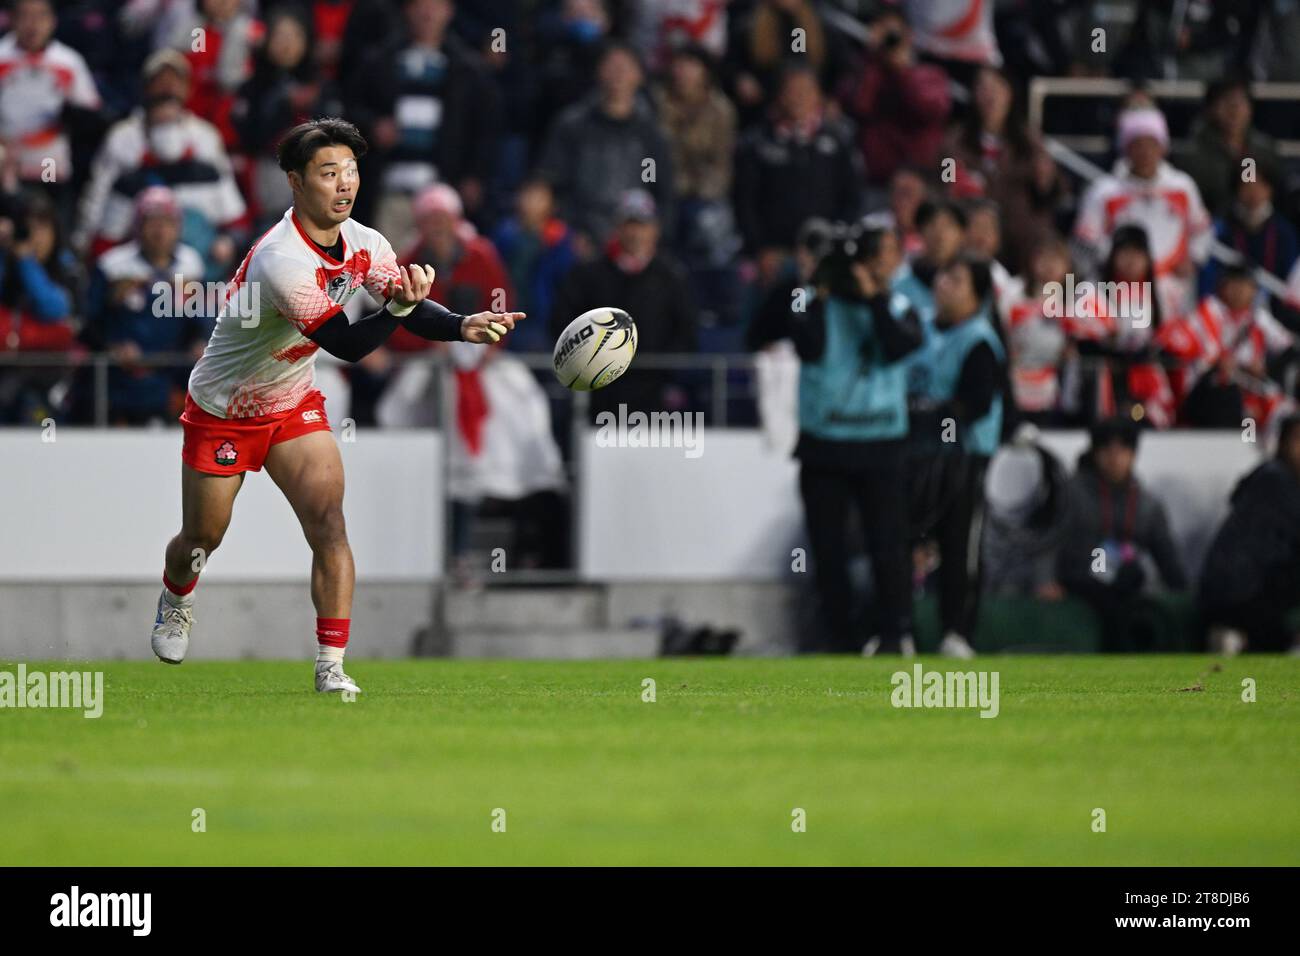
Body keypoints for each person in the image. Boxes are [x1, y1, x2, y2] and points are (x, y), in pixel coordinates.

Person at [149, 118, 523, 694]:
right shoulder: (282, 260)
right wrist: (399, 312)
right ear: (296, 183)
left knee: (328, 523)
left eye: (351, 171)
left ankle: (331, 667)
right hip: (223, 409)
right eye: (329, 173)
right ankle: (176, 597)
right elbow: (348, 344)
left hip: (293, 401)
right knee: (204, 537)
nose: (344, 184)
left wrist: (459, 323)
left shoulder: (367, 242)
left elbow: (405, 300)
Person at [790, 222, 923, 655]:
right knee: (827, 551)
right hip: (824, 442)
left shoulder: (899, 303)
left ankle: (894, 632)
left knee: (889, 545)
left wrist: (874, 298)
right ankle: (839, 638)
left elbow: (899, 347)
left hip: (881, 441)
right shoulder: (809, 301)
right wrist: (821, 287)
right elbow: (805, 345)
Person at [905, 255, 1007, 657]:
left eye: (957, 279)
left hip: (965, 458)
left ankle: (958, 632)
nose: (944, 283)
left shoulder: (979, 339)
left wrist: (928, 412)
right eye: (943, 275)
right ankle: (900, 631)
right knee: (906, 542)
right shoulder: (921, 328)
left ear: (978, 295)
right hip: (918, 455)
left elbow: (975, 404)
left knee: (960, 542)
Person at [1056, 418, 1188, 652]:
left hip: (1123, 579)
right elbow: (1048, 538)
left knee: (1132, 582)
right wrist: (1044, 579)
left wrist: (1184, 593)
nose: (1115, 458)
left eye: (1122, 450)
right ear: (1095, 454)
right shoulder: (1072, 493)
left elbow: (1166, 556)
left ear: (1133, 454)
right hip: (1079, 576)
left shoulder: (1146, 504)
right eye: (1107, 450)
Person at [85, 186, 207, 425]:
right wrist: (113, 347)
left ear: (178, 227)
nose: (160, 231)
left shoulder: (190, 264)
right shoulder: (113, 266)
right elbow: (90, 321)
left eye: (167, 222)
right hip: (121, 376)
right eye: (153, 222)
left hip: (172, 374)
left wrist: (199, 343)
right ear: (138, 225)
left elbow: (199, 319)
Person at [1200, 414, 1300, 655]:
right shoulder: (1276, 481)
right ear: (1284, 444)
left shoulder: (1267, 477)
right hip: (1242, 590)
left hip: (1238, 590)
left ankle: (1237, 638)